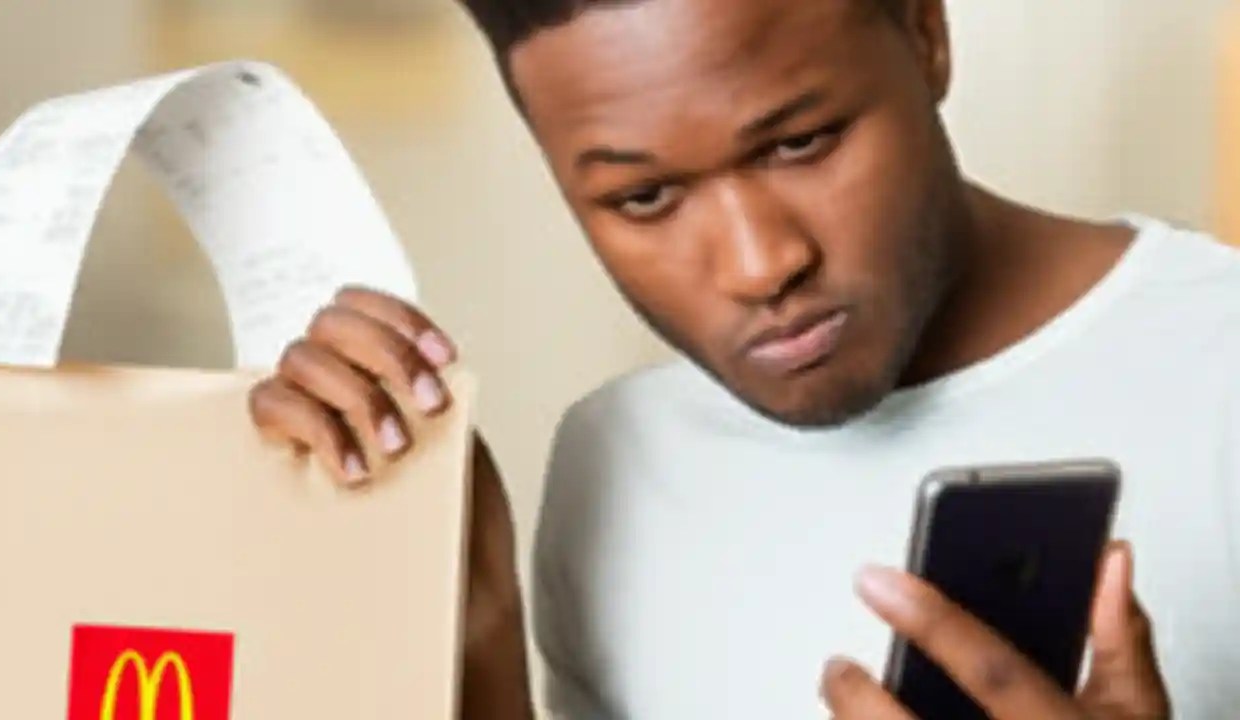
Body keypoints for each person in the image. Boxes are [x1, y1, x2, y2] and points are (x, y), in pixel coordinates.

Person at [247, 0, 1240, 717]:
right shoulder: (615, 456)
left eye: (801, 142)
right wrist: (473, 651)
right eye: (644, 198)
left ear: (925, 34)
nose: (760, 264)